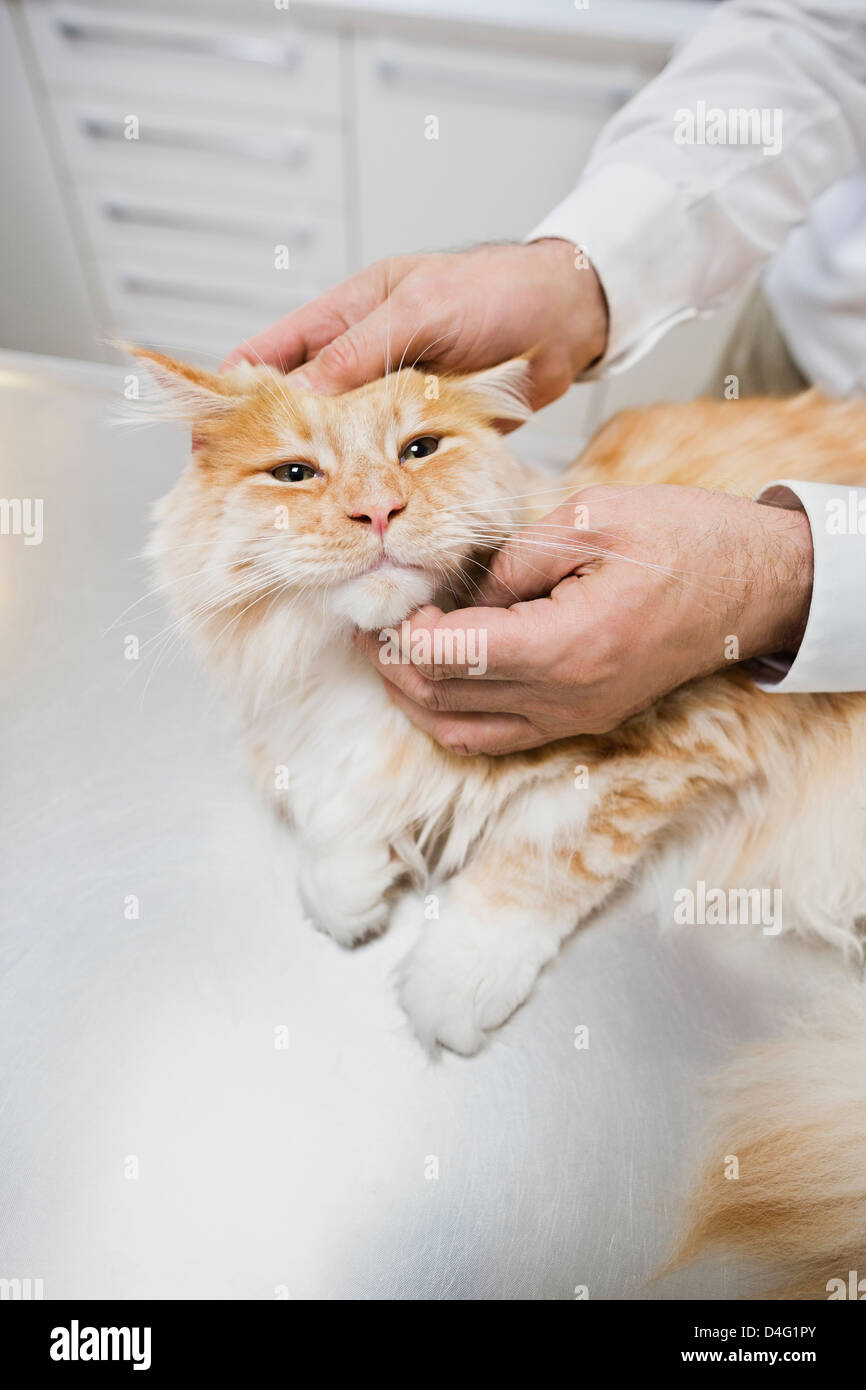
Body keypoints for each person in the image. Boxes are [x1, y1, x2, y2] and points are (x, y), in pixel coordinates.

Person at [226, 0, 866, 755]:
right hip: (819, 319)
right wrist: (576, 277)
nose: (374, 503)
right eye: (299, 470)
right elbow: (817, 36)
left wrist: (788, 580)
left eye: (418, 450)